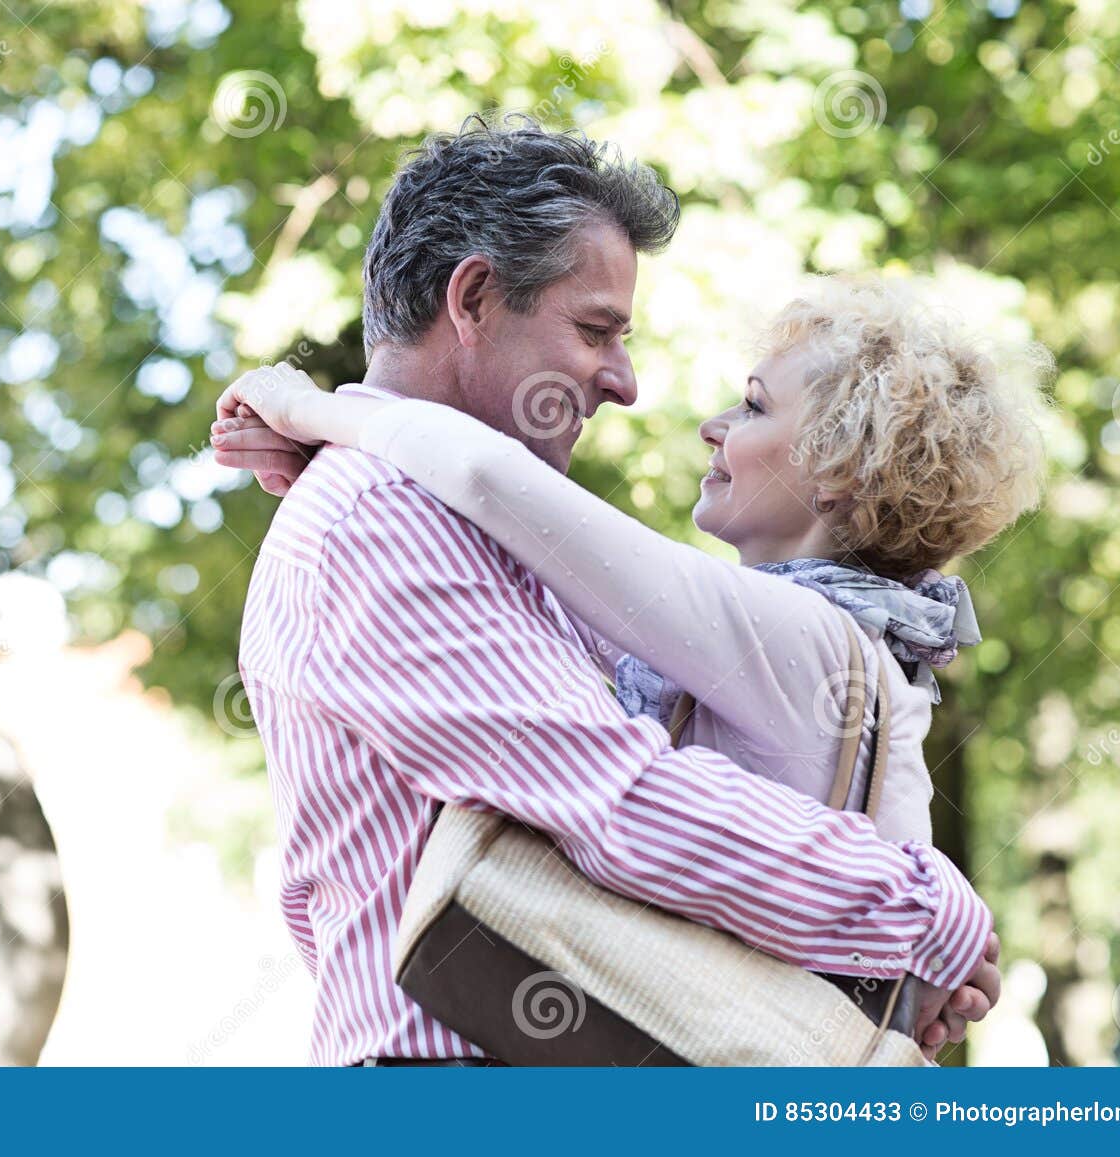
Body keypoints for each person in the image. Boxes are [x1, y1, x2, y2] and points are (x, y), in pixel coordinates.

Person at [220, 113, 1001, 1067]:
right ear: (473, 297)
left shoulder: (472, 534)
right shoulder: (380, 518)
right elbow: (617, 797)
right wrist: (920, 909)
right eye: (596, 330)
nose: (625, 384)